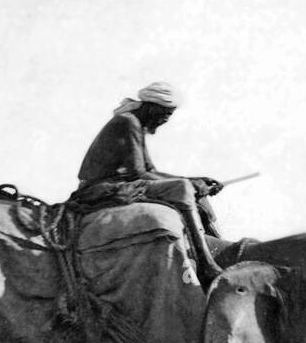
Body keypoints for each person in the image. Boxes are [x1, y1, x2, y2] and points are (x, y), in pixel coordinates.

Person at [77, 81, 225, 237]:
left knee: (193, 190)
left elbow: (150, 171)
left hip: (115, 184)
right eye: (167, 113)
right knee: (183, 188)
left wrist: (194, 180)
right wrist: (188, 183)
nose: (166, 119)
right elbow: (138, 174)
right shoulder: (127, 122)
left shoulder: (135, 124)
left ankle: (213, 242)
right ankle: (203, 255)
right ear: (153, 108)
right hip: (102, 188)